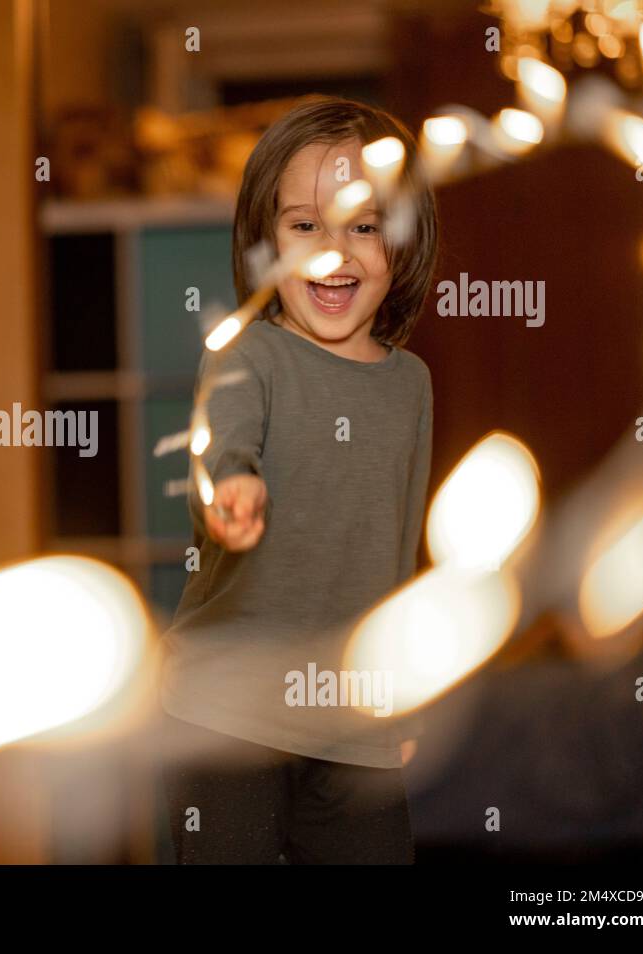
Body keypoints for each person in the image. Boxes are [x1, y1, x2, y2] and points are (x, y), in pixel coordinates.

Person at [159, 96, 438, 864]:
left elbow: (398, 544)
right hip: (226, 712)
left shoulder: (411, 384)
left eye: (364, 225)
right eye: (304, 225)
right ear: (265, 241)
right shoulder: (247, 355)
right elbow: (226, 445)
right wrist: (234, 488)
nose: (333, 252)